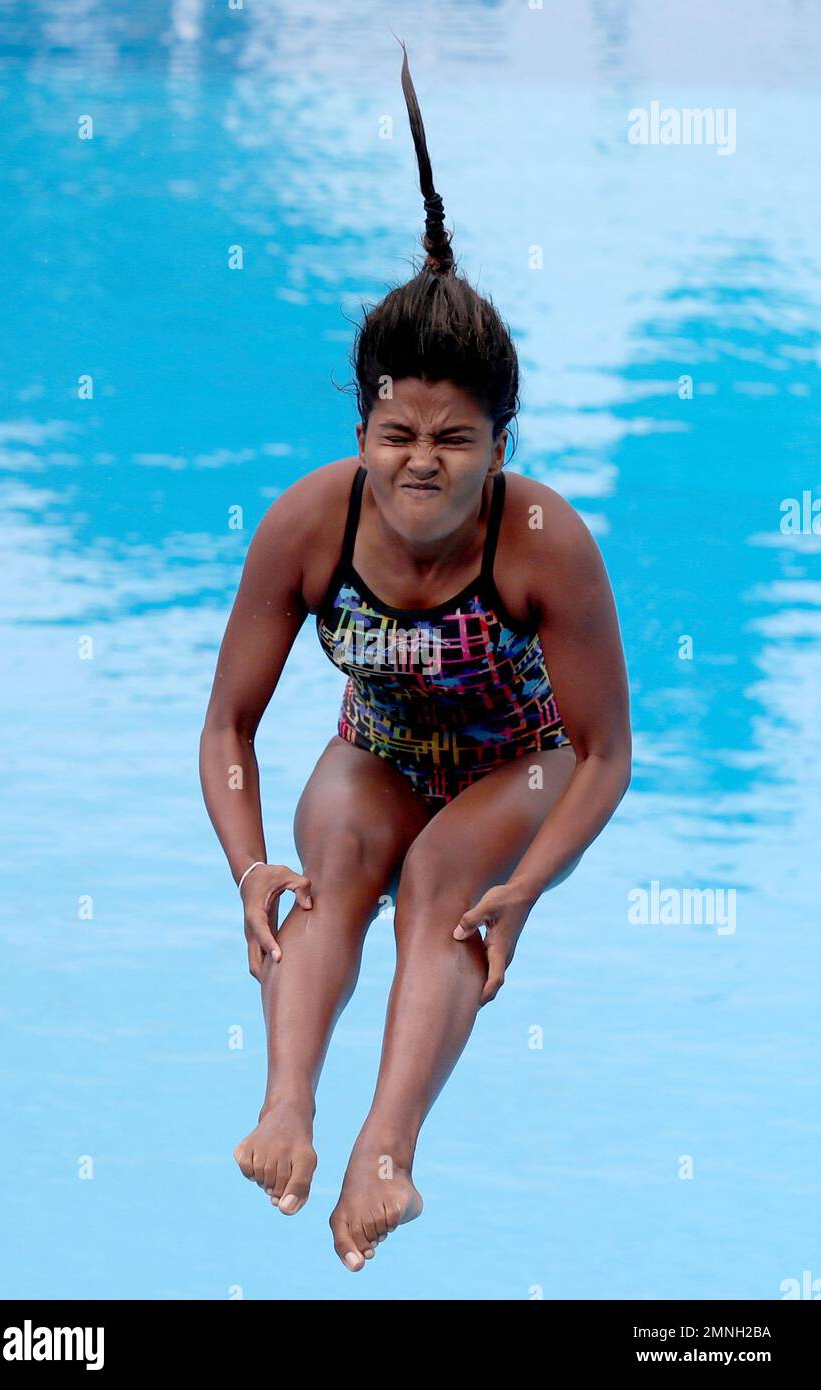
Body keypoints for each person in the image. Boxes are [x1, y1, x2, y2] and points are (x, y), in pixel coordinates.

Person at [199, 42, 631, 1273]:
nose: (422, 461)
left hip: (521, 762)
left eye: (455, 436)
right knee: (332, 861)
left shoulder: (544, 541)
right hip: (378, 747)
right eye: (397, 433)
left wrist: (532, 880)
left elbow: (605, 753)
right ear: (362, 430)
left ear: (500, 442)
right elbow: (227, 727)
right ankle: (285, 1108)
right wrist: (243, 866)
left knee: (444, 876)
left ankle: (383, 1155)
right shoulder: (307, 523)